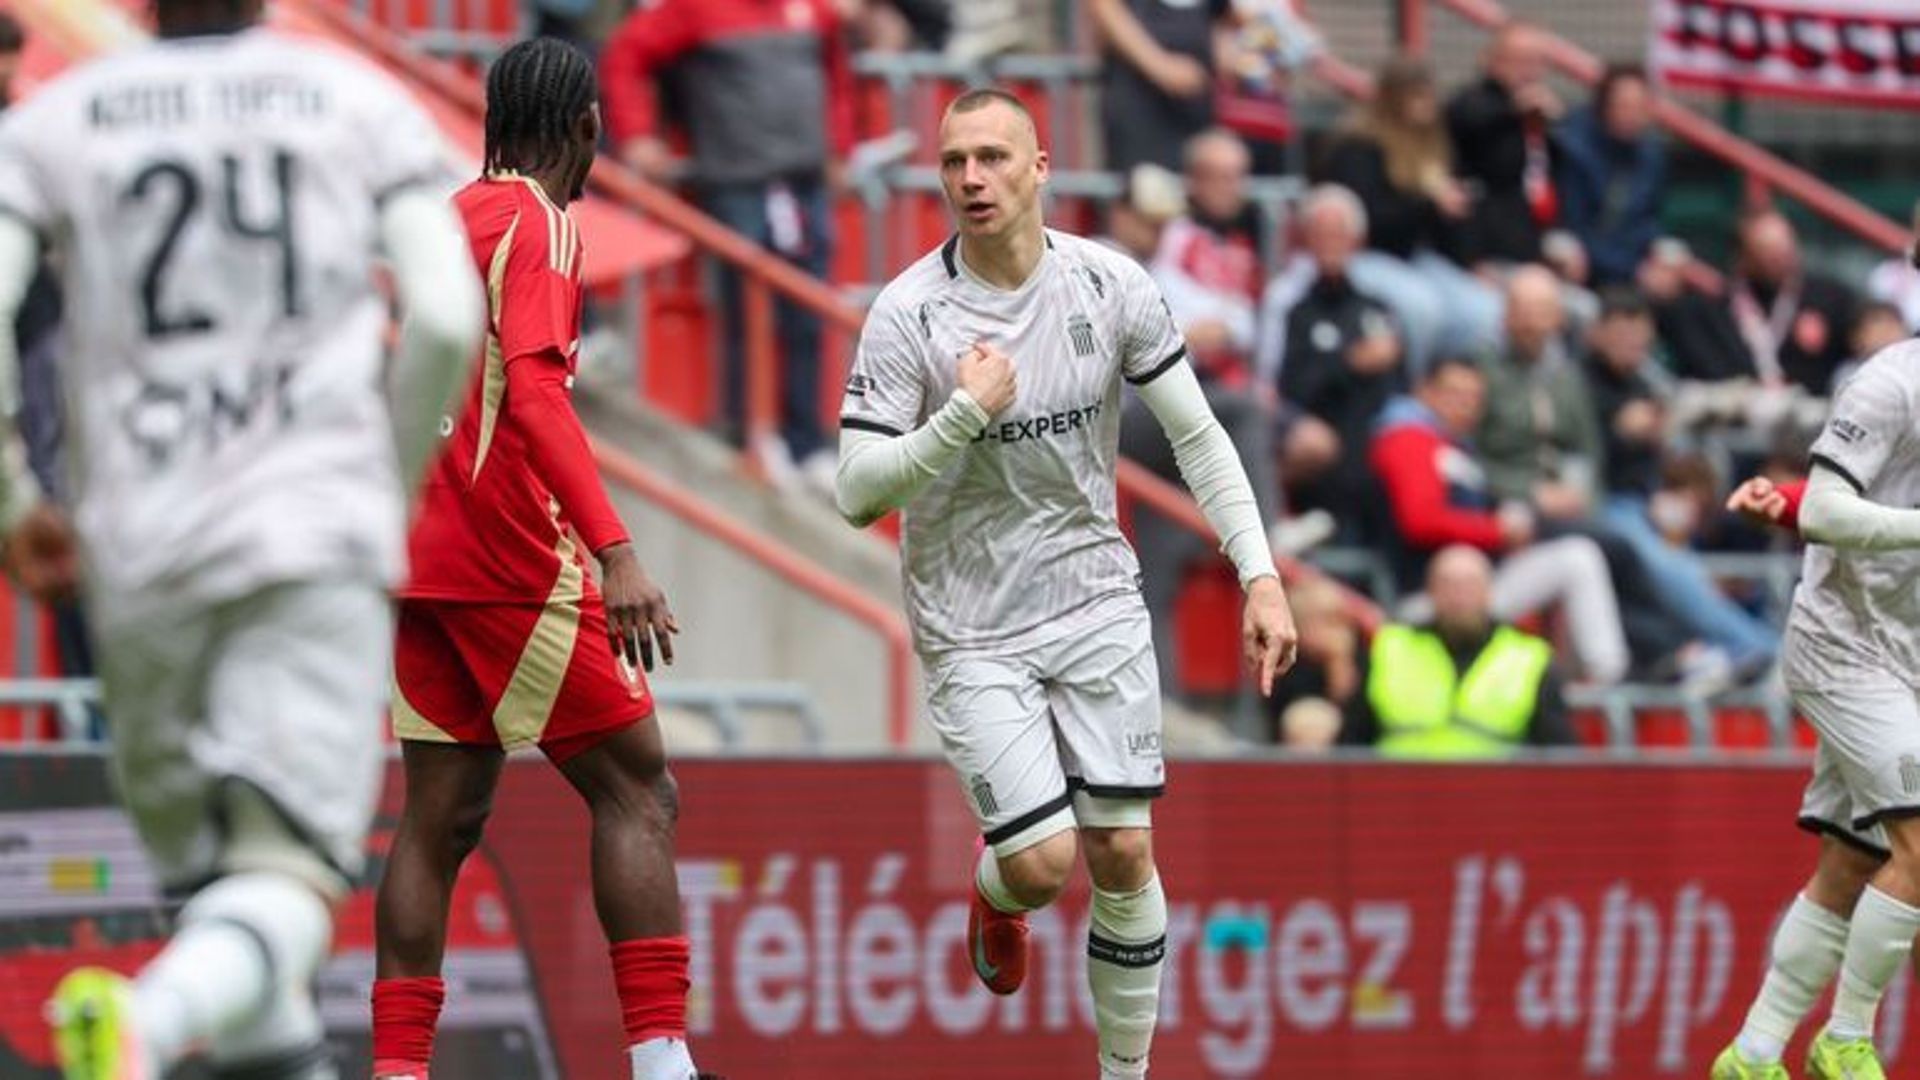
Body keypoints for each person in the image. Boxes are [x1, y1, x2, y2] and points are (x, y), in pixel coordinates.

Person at [0, 0, 486, 1075]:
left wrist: (10, 502)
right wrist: (386, 483)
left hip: (134, 548)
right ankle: (146, 1025)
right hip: (311, 531)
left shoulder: (53, 120)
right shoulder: (355, 100)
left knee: (223, 895)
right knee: (290, 880)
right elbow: (448, 313)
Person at [834, 88, 1297, 1080]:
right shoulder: (910, 312)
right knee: (1044, 865)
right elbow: (854, 491)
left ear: (1040, 167)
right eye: (954, 161)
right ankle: (999, 896)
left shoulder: (1108, 284)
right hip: (972, 620)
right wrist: (959, 415)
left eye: (993, 158)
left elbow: (1199, 436)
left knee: (1125, 851)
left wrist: (1259, 576)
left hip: (1094, 597)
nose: (971, 179)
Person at [372, 40, 707, 1080]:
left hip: (411, 552)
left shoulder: (443, 220)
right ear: (588, 131)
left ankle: (397, 1071)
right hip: (504, 550)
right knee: (639, 791)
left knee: (440, 813)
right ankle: (662, 1067)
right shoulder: (541, 222)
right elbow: (536, 389)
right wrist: (615, 552)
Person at [1711, 336, 1920, 1080]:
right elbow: (1834, 509)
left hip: (1912, 658)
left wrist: (1787, 501)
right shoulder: (1891, 384)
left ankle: (1754, 1052)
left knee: (1853, 857)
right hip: (1847, 648)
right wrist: (1805, 505)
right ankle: (1846, 1038)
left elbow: (1863, 500)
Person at [601, 0, 853, 487]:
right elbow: (626, 54)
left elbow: (835, 72)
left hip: (803, 184)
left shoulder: (810, 9)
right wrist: (636, 136)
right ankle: (753, 433)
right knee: (746, 311)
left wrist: (838, 147)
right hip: (737, 182)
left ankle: (806, 444)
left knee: (806, 315)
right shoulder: (694, 9)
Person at [1369, 356, 1629, 684]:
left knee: (1578, 556)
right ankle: (1607, 680)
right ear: (1425, 392)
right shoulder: (1408, 437)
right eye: (1453, 393)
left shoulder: (1457, 446)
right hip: (1428, 597)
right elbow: (1420, 520)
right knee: (1577, 557)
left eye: (1473, 398)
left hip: (1483, 586)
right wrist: (1497, 530)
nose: (1464, 405)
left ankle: (1607, 677)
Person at [1313, 56, 1502, 372]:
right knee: (1420, 308)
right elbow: (1369, 222)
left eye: (1428, 95)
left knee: (1484, 310)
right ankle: (1412, 392)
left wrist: (1471, 259)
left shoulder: (1434, 149)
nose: (1424, 106)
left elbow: (1447, 231)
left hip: (1415, 258)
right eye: (1414, 96)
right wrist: (1426, 204)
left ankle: (1459, 396)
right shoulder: (1358, 147)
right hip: (1364, 256)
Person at [1344, 544, 1572, 756]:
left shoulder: (1530, 657)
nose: (1459, 596)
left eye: (1470, 585)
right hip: (1396, 792)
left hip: (1496, 794)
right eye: (1448, 585)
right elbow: (1351, 744)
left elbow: (1560, 758)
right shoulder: (1389, 648)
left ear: (1489, 592)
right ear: (1430, 592)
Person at [1446, 20, 1562, 267]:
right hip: (1482, 252)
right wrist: (1513, 111)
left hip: (1533, 244)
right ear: (1493, 61)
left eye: (1536, 61)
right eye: (1519, 60)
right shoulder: (1473, 105)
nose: (1528, 71)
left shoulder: (1541, 118)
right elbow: (1470, 123)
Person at [1554, 63, 1666, 287]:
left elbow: (1649, 221)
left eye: (1639, 107)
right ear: (1603, 107)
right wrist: (1634, 270)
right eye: (1623, 106)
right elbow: (1575, 227)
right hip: (1586, 270)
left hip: (1634, 270)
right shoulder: (1575, 149)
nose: (1632, 115)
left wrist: (1662, 256)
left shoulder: (1652, 154)